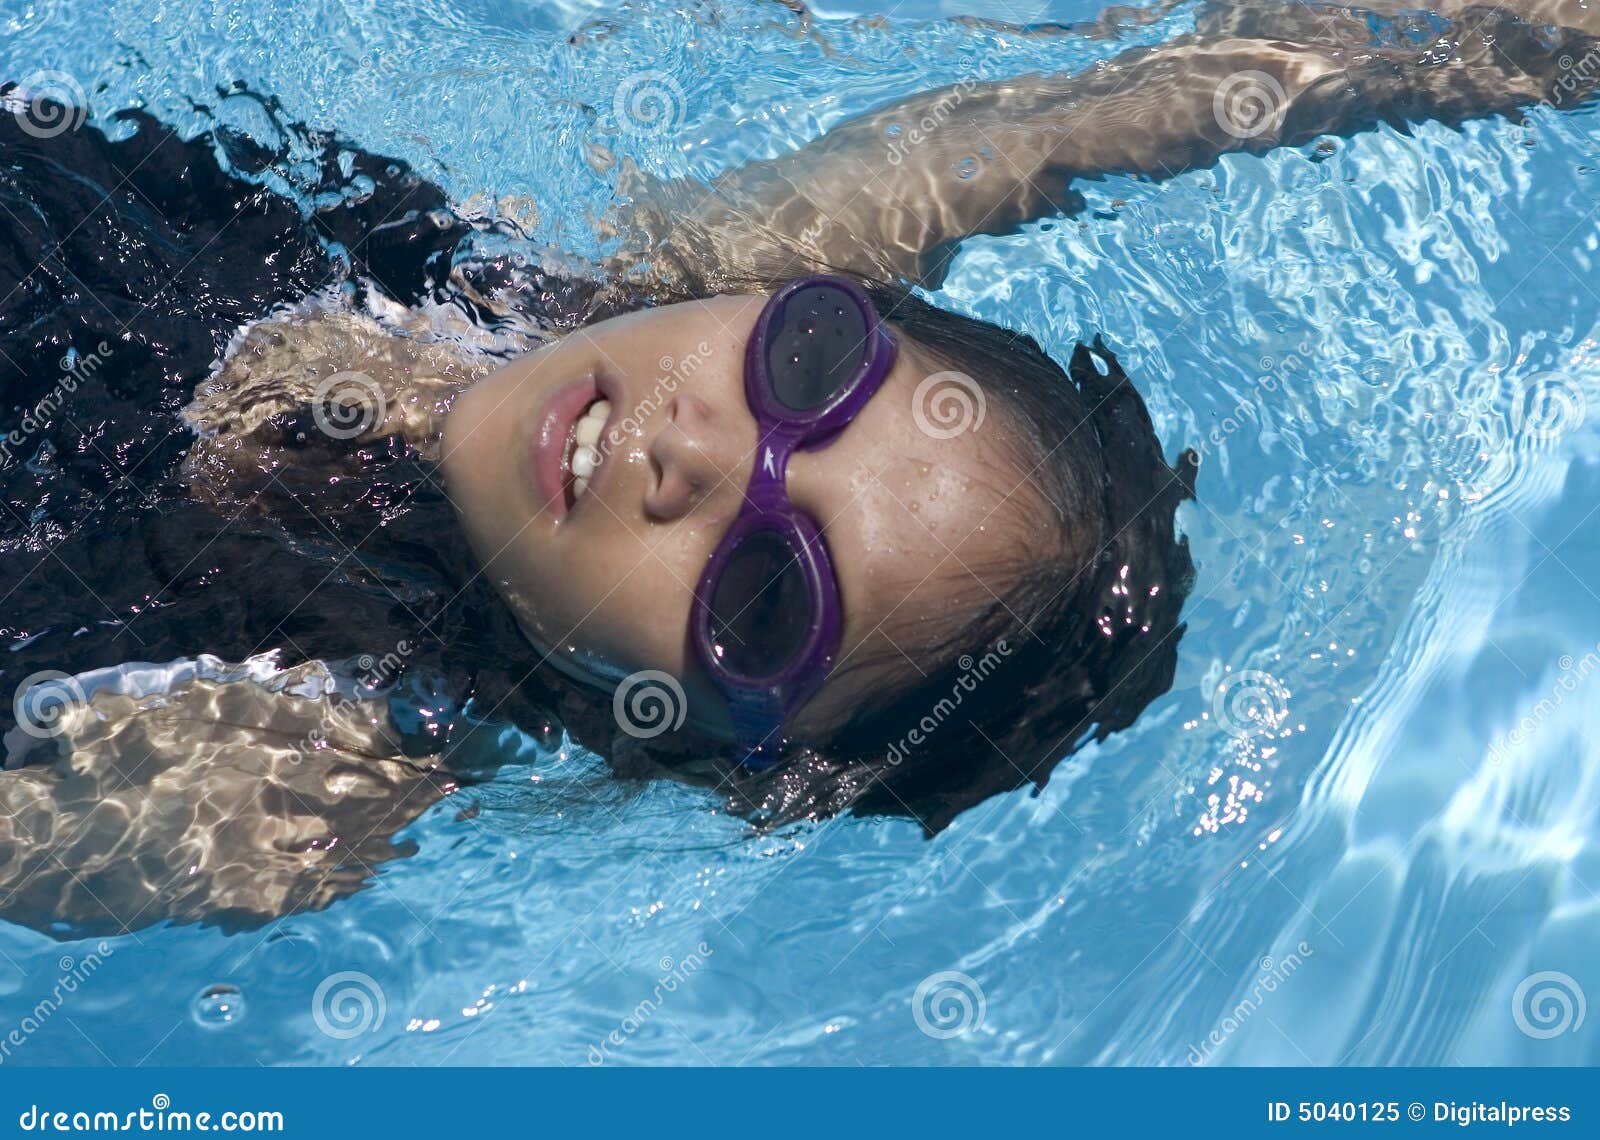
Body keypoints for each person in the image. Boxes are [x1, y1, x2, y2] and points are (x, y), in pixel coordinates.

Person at [0, 1, 1593, 934]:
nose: (701, 446)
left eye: (765, 595)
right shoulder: (606, 298)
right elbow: (1127, 109)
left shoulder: (287, 771)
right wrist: (1505, 42)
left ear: (704, 752)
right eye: (811, 365)